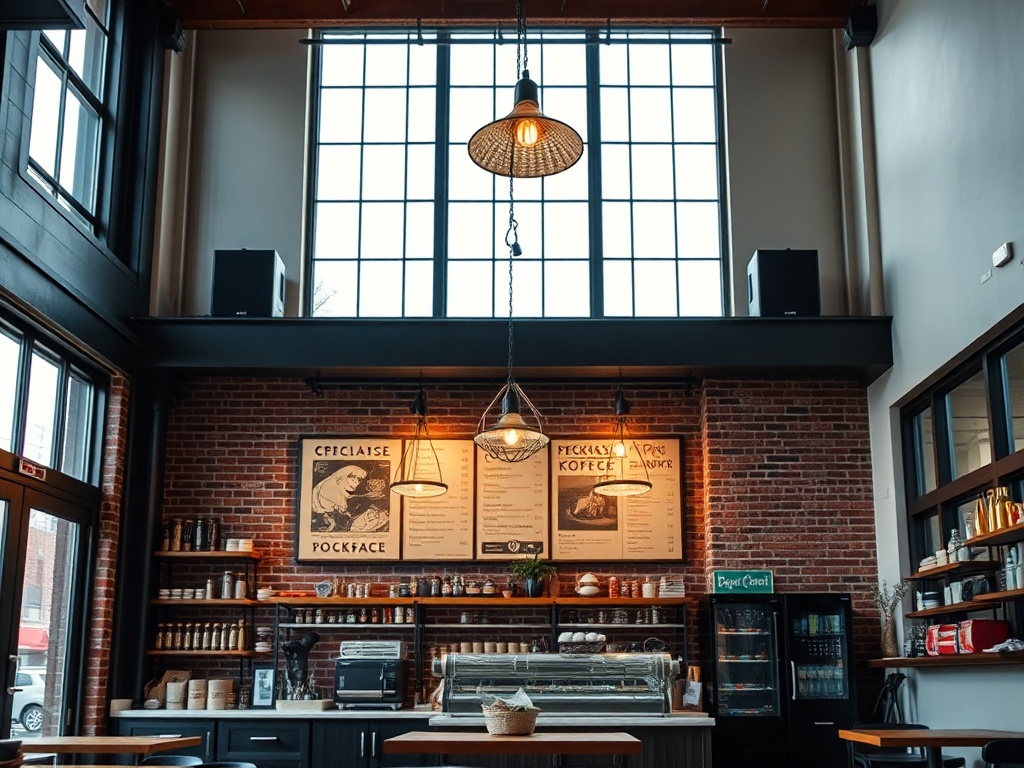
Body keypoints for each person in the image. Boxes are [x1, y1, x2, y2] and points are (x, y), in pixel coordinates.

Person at [311, 465, 368, 532]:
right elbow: (340, 502)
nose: (356, 481)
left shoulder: (340, 486)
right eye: (353, 478)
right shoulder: (330, 485)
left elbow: (346, 497)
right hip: (321, 508)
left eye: (359, 480)